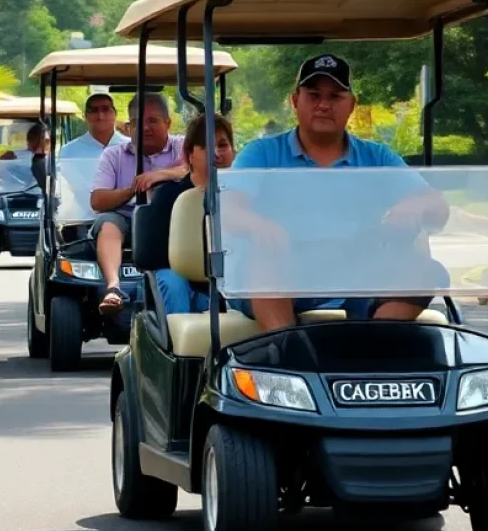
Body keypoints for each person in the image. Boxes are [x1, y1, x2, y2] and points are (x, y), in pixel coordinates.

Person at [229, 54, 450, 331]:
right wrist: (257, 225)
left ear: (351, 105)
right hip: (280, 268)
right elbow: (228, 207)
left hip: (354, 273)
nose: (323, 105)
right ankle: (288, 354)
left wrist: (417, 206)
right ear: (295, 101)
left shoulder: (376, 156)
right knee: (266, 263)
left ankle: (367, 349)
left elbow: (437, 205)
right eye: (313, 95)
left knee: (424, 272)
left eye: (335, 96)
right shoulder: (261, 153)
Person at [90, 92, 187, 314]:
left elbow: (196, 167)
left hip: (170, 221)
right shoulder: (113, 155)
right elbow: (98, 199)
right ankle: (114, 287)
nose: (144, 128)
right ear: (128, 126)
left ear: (168, 123)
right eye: (137, 122)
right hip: (127, 219)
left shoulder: (183, 146)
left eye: (152, 121)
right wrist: (133, 188)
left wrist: (161, 175)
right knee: (108, 222)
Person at [151, 113, 236, 314]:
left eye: (223, 145)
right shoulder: (168, 195)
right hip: (184, 284)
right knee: (172, 282)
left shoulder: (245, 196)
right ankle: (180, 345)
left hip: (231, 283)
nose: (217, 153)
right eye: (207, 147)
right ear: (190, 155)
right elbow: (156, 256)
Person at [58, 93, 129, 159]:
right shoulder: (69, 151)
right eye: (93, 110)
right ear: (85, 116)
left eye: (105, 109)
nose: (100, 116)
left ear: (115, 113)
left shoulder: (131, 147)